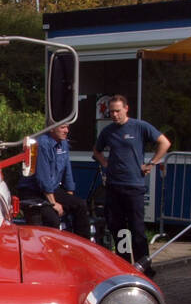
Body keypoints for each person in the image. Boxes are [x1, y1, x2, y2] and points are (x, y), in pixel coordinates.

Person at [92, 95, 170, 275]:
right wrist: (105, 163)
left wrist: (152, 163)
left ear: (126, 109)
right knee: (118, 228)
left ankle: (145, 268)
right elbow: (96, 150)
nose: (114, 115)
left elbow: (164, 143)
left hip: (133, 185)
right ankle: (123, 265)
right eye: (111, 111)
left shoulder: (139, 127)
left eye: (118, 111)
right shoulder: (108, 131)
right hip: (114, 185)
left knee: (137, 229)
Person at [17, 121, 90, 238]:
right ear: (51, 129)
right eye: (62, 127)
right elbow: (42, 178)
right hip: (34, 191)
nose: (67, 131)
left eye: (67, 127)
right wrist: (53, 203)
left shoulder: (64, 143)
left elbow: (67, 171)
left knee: (80, 205)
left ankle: (83, 247)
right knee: (53, 219)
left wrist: (69, 196)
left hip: (51, 188)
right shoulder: (42, 144)